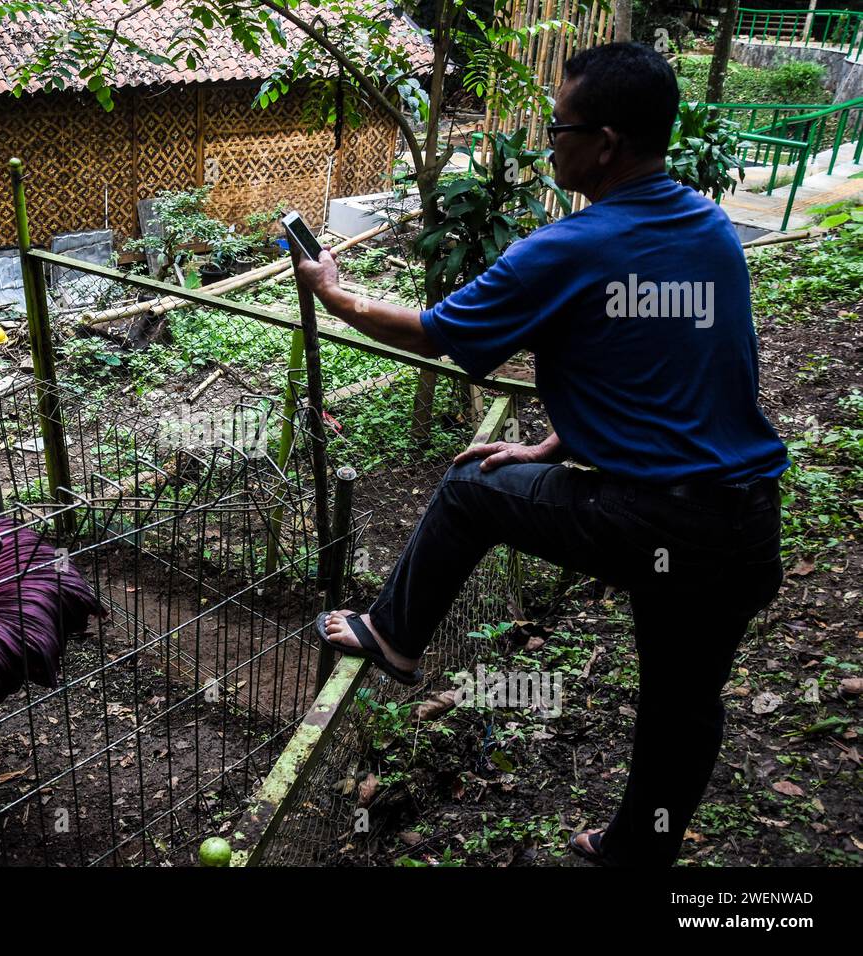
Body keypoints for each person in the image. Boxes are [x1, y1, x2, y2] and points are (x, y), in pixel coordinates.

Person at [293, 42, 787, 867]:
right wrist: (557, 442)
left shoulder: (572, 245)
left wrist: (337, 294)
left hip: (656, 516)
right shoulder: (707, 227)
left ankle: (392, 634)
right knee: (684, 704)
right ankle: (638, 850)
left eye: (559, 127)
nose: (549, 140)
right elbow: (677, 369)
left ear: (607, 142)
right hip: (741, 527)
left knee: (467, 493)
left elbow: (436, 331)